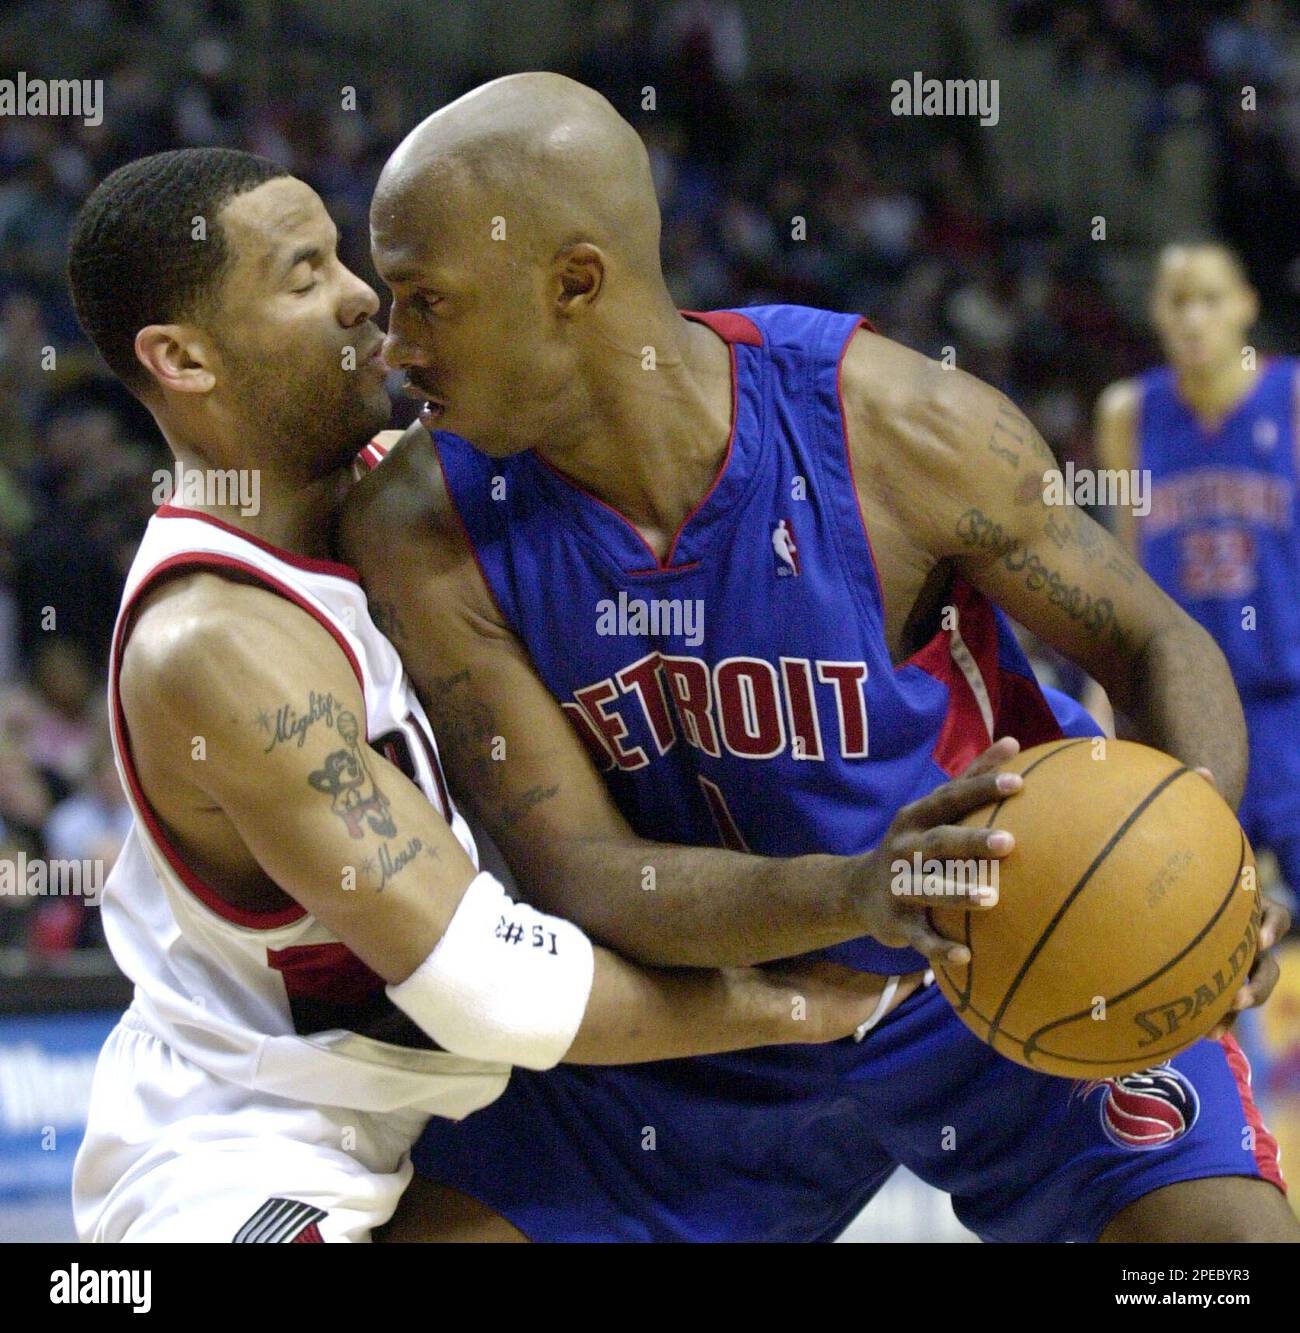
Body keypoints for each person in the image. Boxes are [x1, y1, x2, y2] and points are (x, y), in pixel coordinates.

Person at [344, 74, 1297, 1242]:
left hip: (1003, 942)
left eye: (424, 300)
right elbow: (583, 872)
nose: (394, 348)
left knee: (1219, 1255)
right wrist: (856, 891)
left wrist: (1198, 854)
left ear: (574, 285)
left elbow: (1154, 635)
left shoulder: (895, 425)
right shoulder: (420, 525)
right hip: (704, 1018)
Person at [64, 148, 914, 1243]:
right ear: (182, 357)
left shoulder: (420, 501)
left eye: (343, 257)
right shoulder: (213, 641)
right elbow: (489, 990)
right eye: (304, 273)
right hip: (246, 1155)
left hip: (460, 1121)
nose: (361, 293)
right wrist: (807, 1002)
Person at [1095, 242, 1300, 914]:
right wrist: (1109, 697)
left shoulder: (1291, 396)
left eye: (1210, 298)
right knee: (1197, 922)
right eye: (1177, 301)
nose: (1192, 318)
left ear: (1246, 305)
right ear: (1155, 313)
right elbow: (1125, 569)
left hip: (1289, 698)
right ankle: (1244, 1029)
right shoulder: (1128, 412)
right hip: (1190, 703)